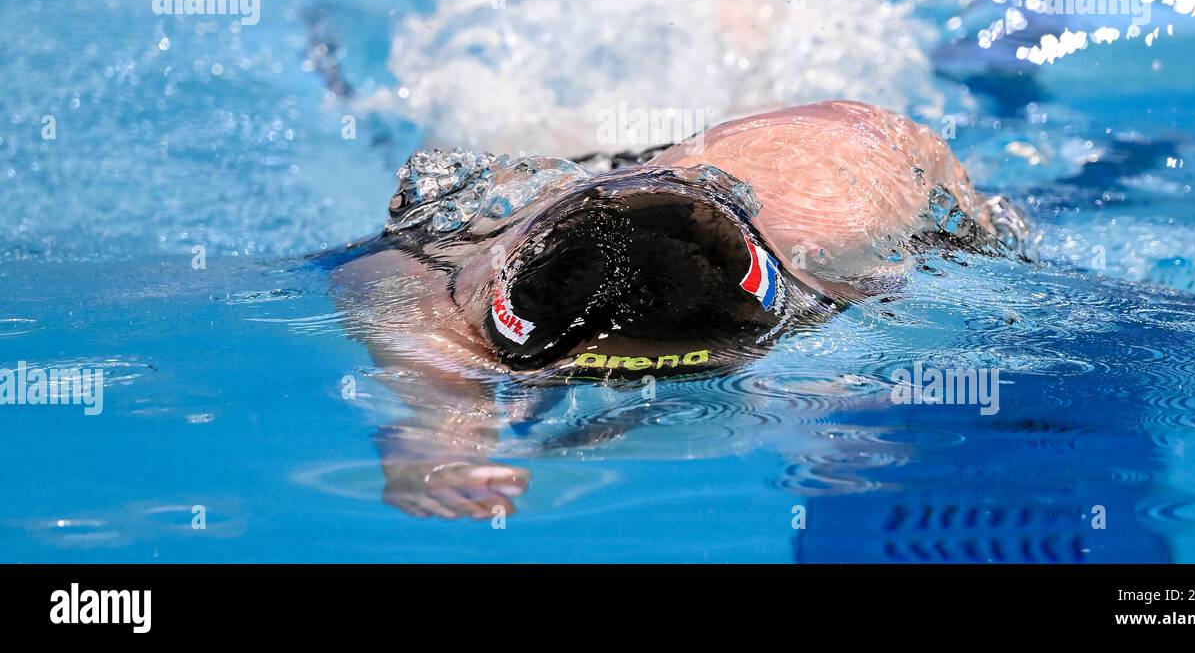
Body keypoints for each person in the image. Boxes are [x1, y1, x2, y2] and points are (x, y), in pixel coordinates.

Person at [329, 100, 1028, 518]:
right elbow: (382, 303)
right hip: (566, 170)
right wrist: (437, 430)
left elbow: (911, 148)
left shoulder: (827, 200)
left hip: (701, 157)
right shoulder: (444, 285)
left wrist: (979, 241)